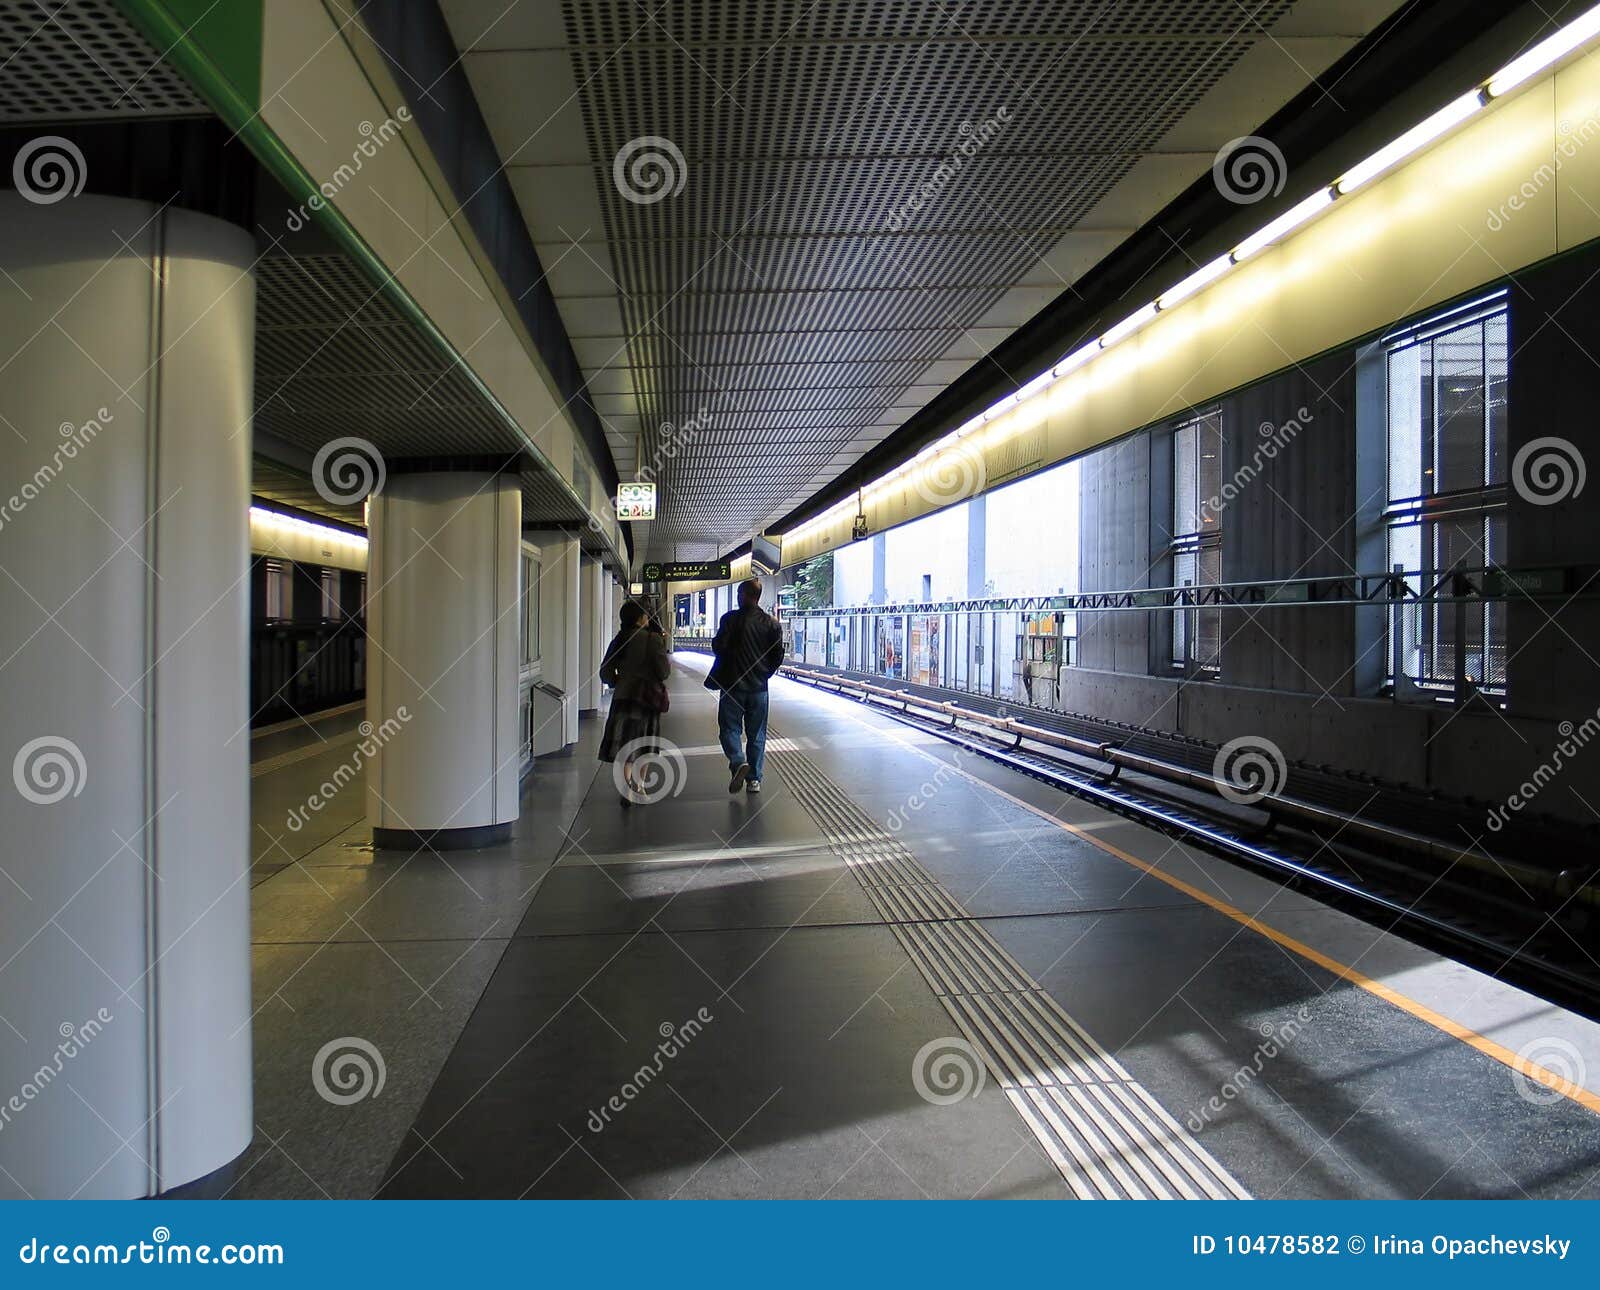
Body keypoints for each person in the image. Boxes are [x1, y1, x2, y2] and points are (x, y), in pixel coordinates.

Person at [707, 578, 784, 794]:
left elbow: (718, 647)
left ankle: (738, 760)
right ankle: (754, 780)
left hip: (732, 687)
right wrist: (764, 674)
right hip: (759, 689)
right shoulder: (772, 623)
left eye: (739, 594)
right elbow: (778, 655)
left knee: (729, 729)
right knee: (757, 734)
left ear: (743, 595)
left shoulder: (730, 620)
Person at [598, 600, 671, 804]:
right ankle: (639, 786)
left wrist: (618, 681)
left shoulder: (620, 639)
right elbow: (664, 672)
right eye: (645, 615)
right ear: (640, 618)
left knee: (626, 743)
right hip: (647, 698)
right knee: (646, 744)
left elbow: (605, 671)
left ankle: (626, 787)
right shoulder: (653, 639)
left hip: (624, 697)